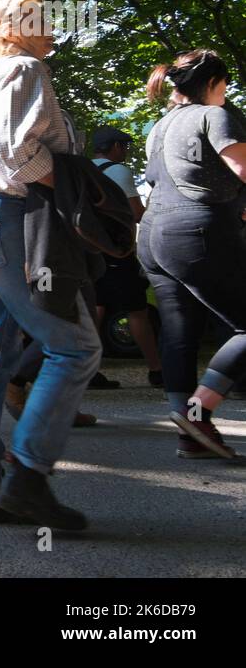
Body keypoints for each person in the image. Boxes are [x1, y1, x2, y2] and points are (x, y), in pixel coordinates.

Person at [0, 0, 102, 530]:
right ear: (19, 26)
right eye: (46, 21)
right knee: (76, 345)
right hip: (3, 219)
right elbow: (17, 153)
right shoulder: (25, 68)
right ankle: (28, 477)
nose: (55, 31)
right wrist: (76, 187)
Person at [138, 49, 246, 459]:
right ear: (214, 84)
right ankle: (198, 413)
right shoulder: (213, 115)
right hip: (196, 231)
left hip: (152, 236)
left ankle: (188, 431)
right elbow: (243, 169)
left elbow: (153, 178)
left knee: (180, 329)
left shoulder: (160, 125)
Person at [91, 126, 162, 387]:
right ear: (116, 147)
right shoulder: (117, 171)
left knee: (96, 308)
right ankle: (156, 369)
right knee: (136, 309)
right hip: (118, 251)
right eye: (125, 146)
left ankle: (88, 371)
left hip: (90, 249)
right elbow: (135, 213)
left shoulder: (83, 169)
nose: (126, 152)